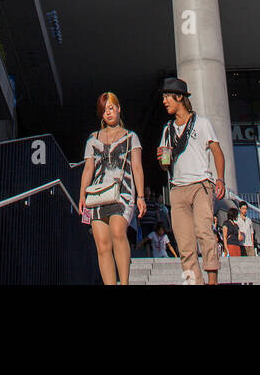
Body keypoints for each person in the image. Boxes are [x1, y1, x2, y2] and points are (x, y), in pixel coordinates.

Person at [157, 76, 226, 286]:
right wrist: (162, 160)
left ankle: (212, 280)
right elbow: (165, 165)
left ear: (179, 97)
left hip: (201, 184)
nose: (164, 101)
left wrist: (220, 179)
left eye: (167, 97)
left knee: (204, 232)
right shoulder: (167, 129)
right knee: (184, 243)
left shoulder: (202, 123)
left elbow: (217, 151)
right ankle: (193, 282)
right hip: (177, 188)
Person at [79, 91, 146, 286]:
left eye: (111, 108)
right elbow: (88, 168)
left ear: (118, 109)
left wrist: (141, 196)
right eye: (104, 109)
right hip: (98, 194)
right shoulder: (93, 139)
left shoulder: (131, 137)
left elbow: (137, 167)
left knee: (118, 232)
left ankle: (123, 282)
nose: (108, 113)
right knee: (102, 244)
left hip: (122, 192)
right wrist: (82, 193)